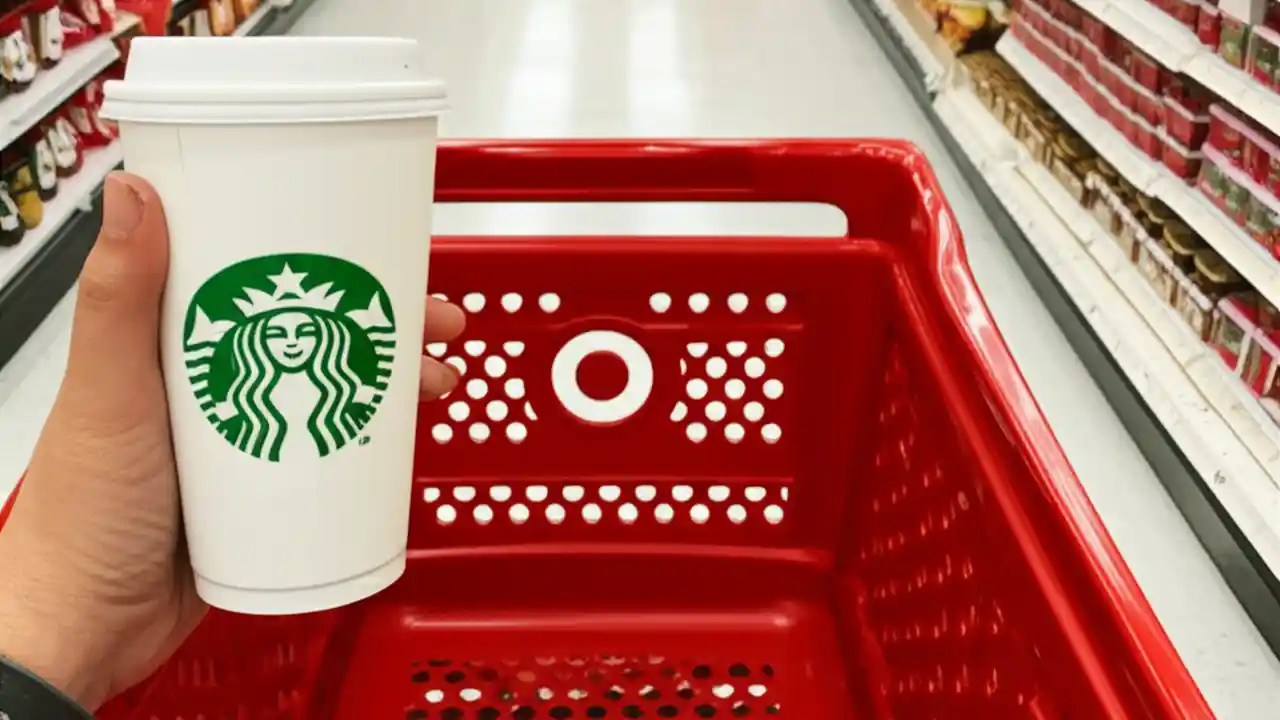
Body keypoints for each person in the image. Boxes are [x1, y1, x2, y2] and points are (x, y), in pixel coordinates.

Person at [0, 173, 465, 715]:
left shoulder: (338, 398)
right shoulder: (248, 403)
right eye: (275, 332)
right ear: (252, 341)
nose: (292, 342)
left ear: (329, 337)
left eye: (307, 332)